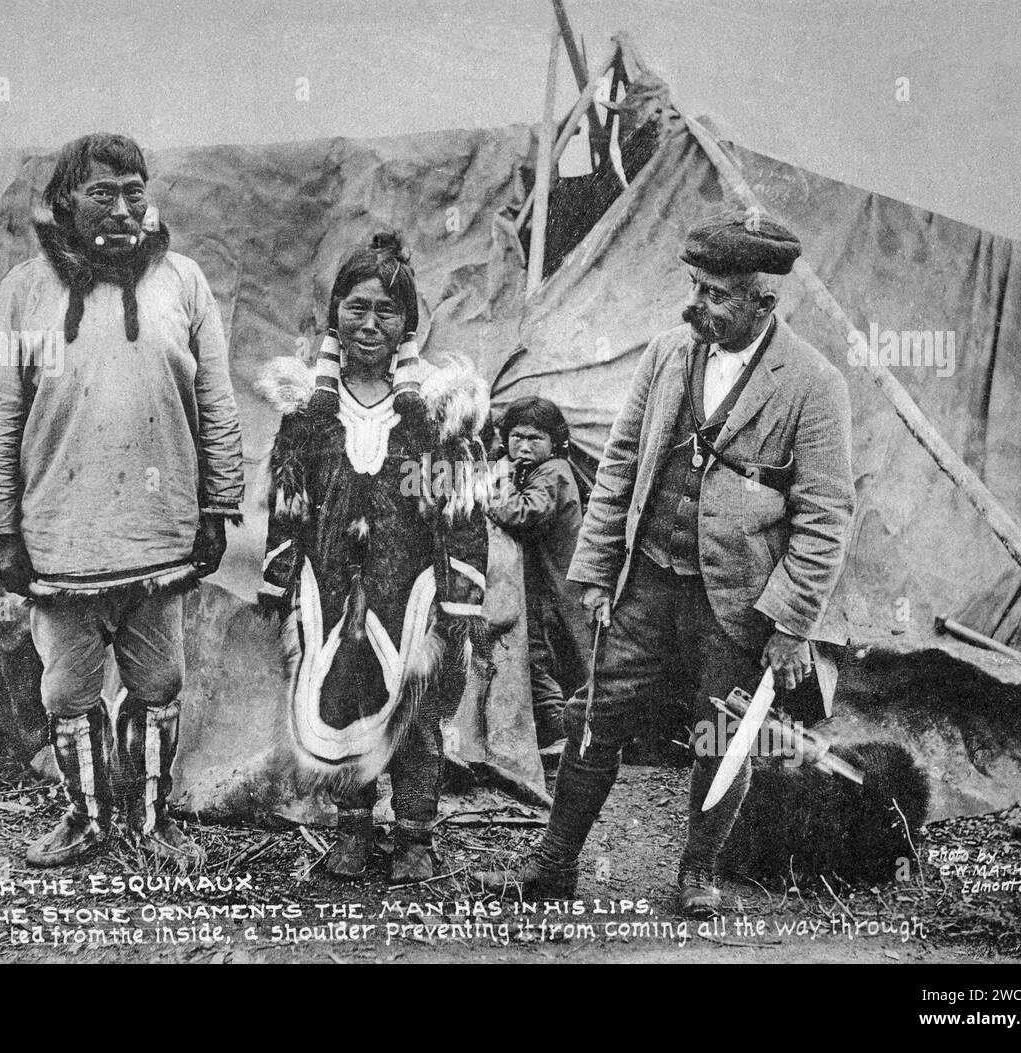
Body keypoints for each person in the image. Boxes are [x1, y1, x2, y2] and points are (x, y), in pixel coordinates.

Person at [477, 211, 854, 914]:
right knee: (596, 713)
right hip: (648, 579)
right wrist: (592, 573)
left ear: (762, 301)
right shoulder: (666, 355)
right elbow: (620, 466)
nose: (699, 304)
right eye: (696, 287)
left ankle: (697, 872)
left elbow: (826, 516)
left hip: (740, 596)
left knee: (722, 733)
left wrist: (794, 622)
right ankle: (553, 864)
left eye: (717, 293)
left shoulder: (813, 384)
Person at [0, 133, 245, 868]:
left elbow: (217, 403)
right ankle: (88, 818)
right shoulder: (23, 290)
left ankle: (150, 822)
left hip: (159, 532)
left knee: (160, 681)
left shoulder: (183, 282)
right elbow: (0, 412)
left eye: (135, 191)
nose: (123, 208)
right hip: (63, 534)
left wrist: (218, 505)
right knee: (68, 687)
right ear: (66, 201)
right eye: (103, 193)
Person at [257, 231, 491, 883]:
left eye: (386, 311)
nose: (369, 322)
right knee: (340, 699)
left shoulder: (434, 414)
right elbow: (288, 502)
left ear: (407, 324)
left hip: (411, 591)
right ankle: (353, 826)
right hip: (329, 589)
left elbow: (461, 513)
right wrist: (282, 585)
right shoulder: (308, 410)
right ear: (334, 314)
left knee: (414, 718)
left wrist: (460, 602)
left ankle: (416, 834)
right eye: (356, 306)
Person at [487, 397, 588, 749]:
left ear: (554, 442)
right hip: (542, 580)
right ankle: (555, 729)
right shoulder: (530, 468)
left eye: (535, 439)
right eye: (517, 437)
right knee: (540, 652)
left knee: (539, 653)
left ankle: (559, 731)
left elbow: (527, 512)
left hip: (555, 583)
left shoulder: (554, 471)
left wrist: (488, 496)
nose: (524, 446)